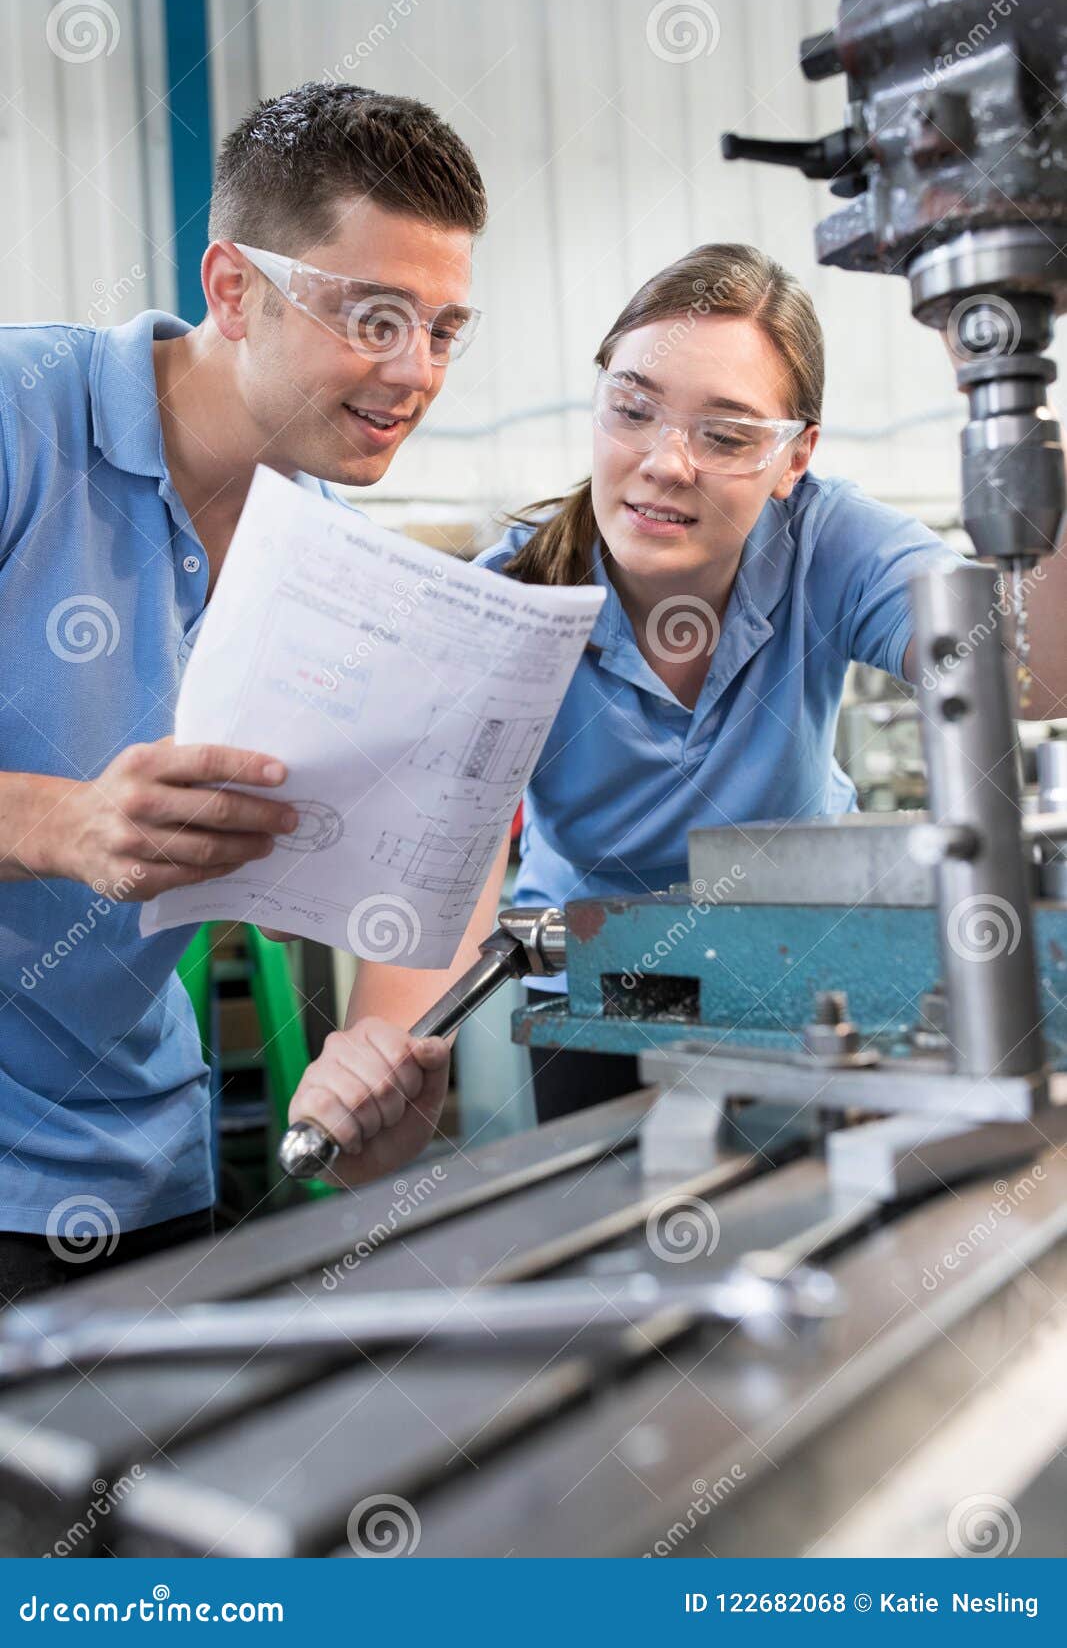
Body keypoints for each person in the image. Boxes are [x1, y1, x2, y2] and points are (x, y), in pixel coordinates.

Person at [289, 241, 1067, 1169]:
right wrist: (385, 1071)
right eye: (633, 409)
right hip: (610, 985)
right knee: (621, 1228)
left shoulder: (829, 541)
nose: (665, 462)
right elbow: (442, 878)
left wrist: (1013, 410)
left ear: (794, 459)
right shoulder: (513, 599)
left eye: (727, 435)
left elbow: (1029, 677)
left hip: (805, 965)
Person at [0, 81, 485, 1301]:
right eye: (373, 317)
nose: (412, 372)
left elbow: (424, 838)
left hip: (143, 1168)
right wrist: (62, 824)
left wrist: (384, 1043)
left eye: (442, 329)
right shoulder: (22, 422)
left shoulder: (322, 552)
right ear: (233, 288)